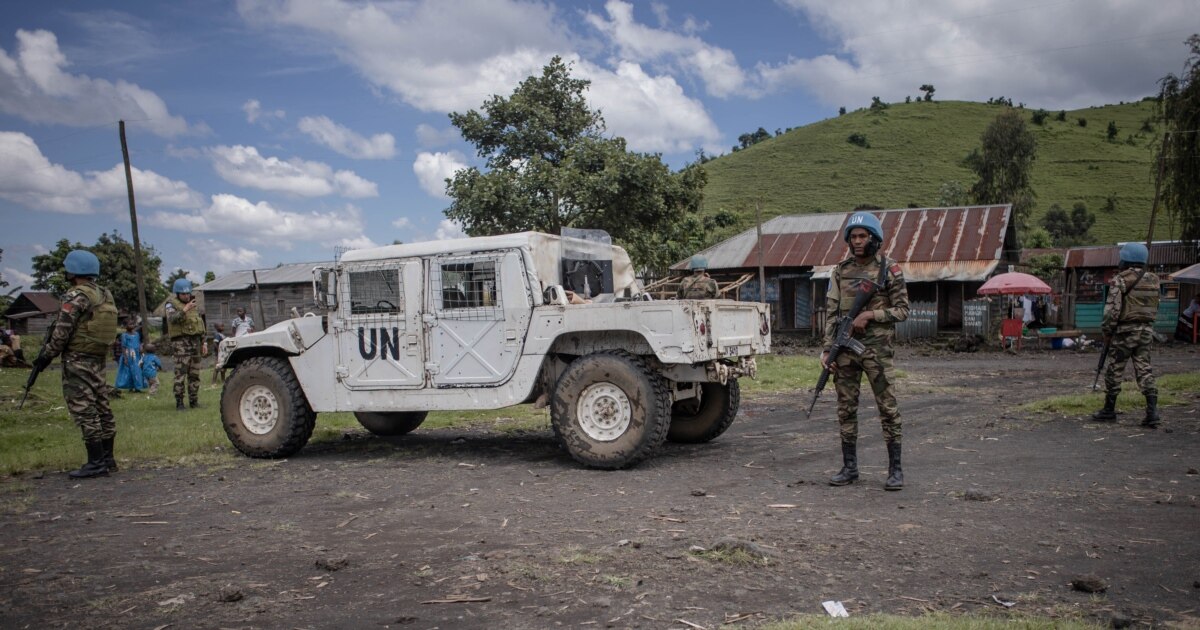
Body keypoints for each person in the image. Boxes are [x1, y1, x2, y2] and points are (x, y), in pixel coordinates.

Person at [821, 211, 910, 490]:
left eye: (863, 236)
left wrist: (870, 315)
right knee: (845, 409)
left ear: (874, 238)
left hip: (877, 352)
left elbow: (903, 310)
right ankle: (850, 468)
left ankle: (895, 471)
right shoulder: (841, 270)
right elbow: (832, 313)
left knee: (888, 408)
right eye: (853, 237)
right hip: (845, 350)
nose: (857, 241)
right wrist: (828, 351)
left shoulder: (889, 269)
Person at [30, 250, 119, 478]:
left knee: (84, 408)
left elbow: (61, 332)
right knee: (102, 406)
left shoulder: (76, 296)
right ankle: (108, 459)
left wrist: (46, 355)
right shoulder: (104, 295)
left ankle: (96, 463)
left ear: (73, 271)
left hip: (77, 359)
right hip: (98, 358)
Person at [1092, 243, 1161, 428]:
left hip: (1124, 332)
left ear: (1126, 259)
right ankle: (1152, 411)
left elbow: (1112, 310)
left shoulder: (1120, 280)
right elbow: (1156, 306)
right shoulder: (1154, 280)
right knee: (1144, 369)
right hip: (1146, 331)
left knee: (1115, 369)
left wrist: (1107, 331)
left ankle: (1109, 410)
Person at [165, 278, 206, 410]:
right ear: (177, 294)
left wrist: (203, 342)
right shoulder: (171, 305)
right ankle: (180, 403)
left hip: (195, 343)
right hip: (181, 344)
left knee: (194, 374)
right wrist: (184, 310)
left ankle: (194, 402)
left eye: (188, 293)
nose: (186, 296)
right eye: (183, 294)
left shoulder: (193, 305)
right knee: (180, 374)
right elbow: (172, 319)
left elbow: (199, 324)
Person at [113, 318, 147, 392]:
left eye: (133, 324)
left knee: (137, 370)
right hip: (129, 355)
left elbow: (139, 343)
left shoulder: (137, 334)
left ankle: (138, 387)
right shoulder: (124, 335)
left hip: (136, 355)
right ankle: (130, 387)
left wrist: (141, 349)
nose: (132, 325)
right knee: (129, 371)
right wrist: (125, 358)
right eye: (130, 324)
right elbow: (123, 347)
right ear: (125, 326)